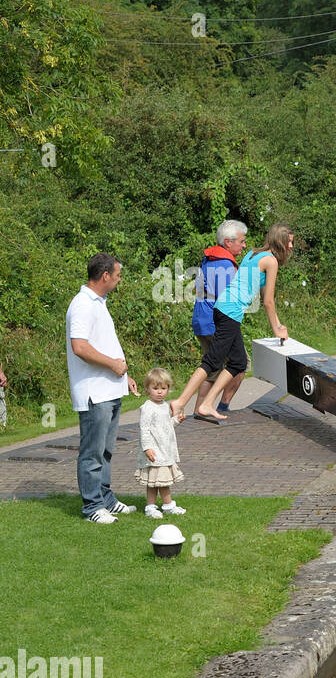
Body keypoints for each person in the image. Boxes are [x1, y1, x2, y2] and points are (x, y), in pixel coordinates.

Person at [171, 223, 293, 423]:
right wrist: (276, 330)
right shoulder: (271, 261)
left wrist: (279, 326)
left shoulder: (253, 254)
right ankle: (181, 401)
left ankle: (206, 404)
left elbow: (265, 297)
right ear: (280, 241)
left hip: (224, 309)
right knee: (212, 361)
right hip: (229, 311)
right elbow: (268, 301)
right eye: (289, 242)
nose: (291, 247)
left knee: (238, 362)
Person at [66, 253, 139, 524]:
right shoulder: (83, 304)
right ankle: (92, 507)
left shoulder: (99, 303)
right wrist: (113, 366)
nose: (119, 280)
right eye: (118, 275)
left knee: (106, 450)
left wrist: (125, 376)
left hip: (110, 389)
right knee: (92, 452)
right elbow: (80, 347)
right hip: (94, 392)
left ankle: (106, 498)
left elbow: (105, 342)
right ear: (105, 275)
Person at [190, 219, 248, 414]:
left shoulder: (210, 259)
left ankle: (200, 410)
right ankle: (219, 408)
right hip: (214, 321)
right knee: (239, 363)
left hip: (201, 318)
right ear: (227, 242)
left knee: (212, 367)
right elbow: (228, 300)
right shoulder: (225, 265)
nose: (244, 244)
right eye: (241, 240)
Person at [136, 366, 186, 519]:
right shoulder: (147, 408)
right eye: (155, 388)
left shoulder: (164, 406)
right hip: (155, 452)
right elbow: (144, 429)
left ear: (168, 389)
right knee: (158, 482)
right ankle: (162, 506)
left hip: (165, 450)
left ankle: (157, 506)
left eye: (163, 388)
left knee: (158, 481)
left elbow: (166, 426)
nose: (159, 391)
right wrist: (147, 448)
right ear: (147, 389)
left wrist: (176, 420)